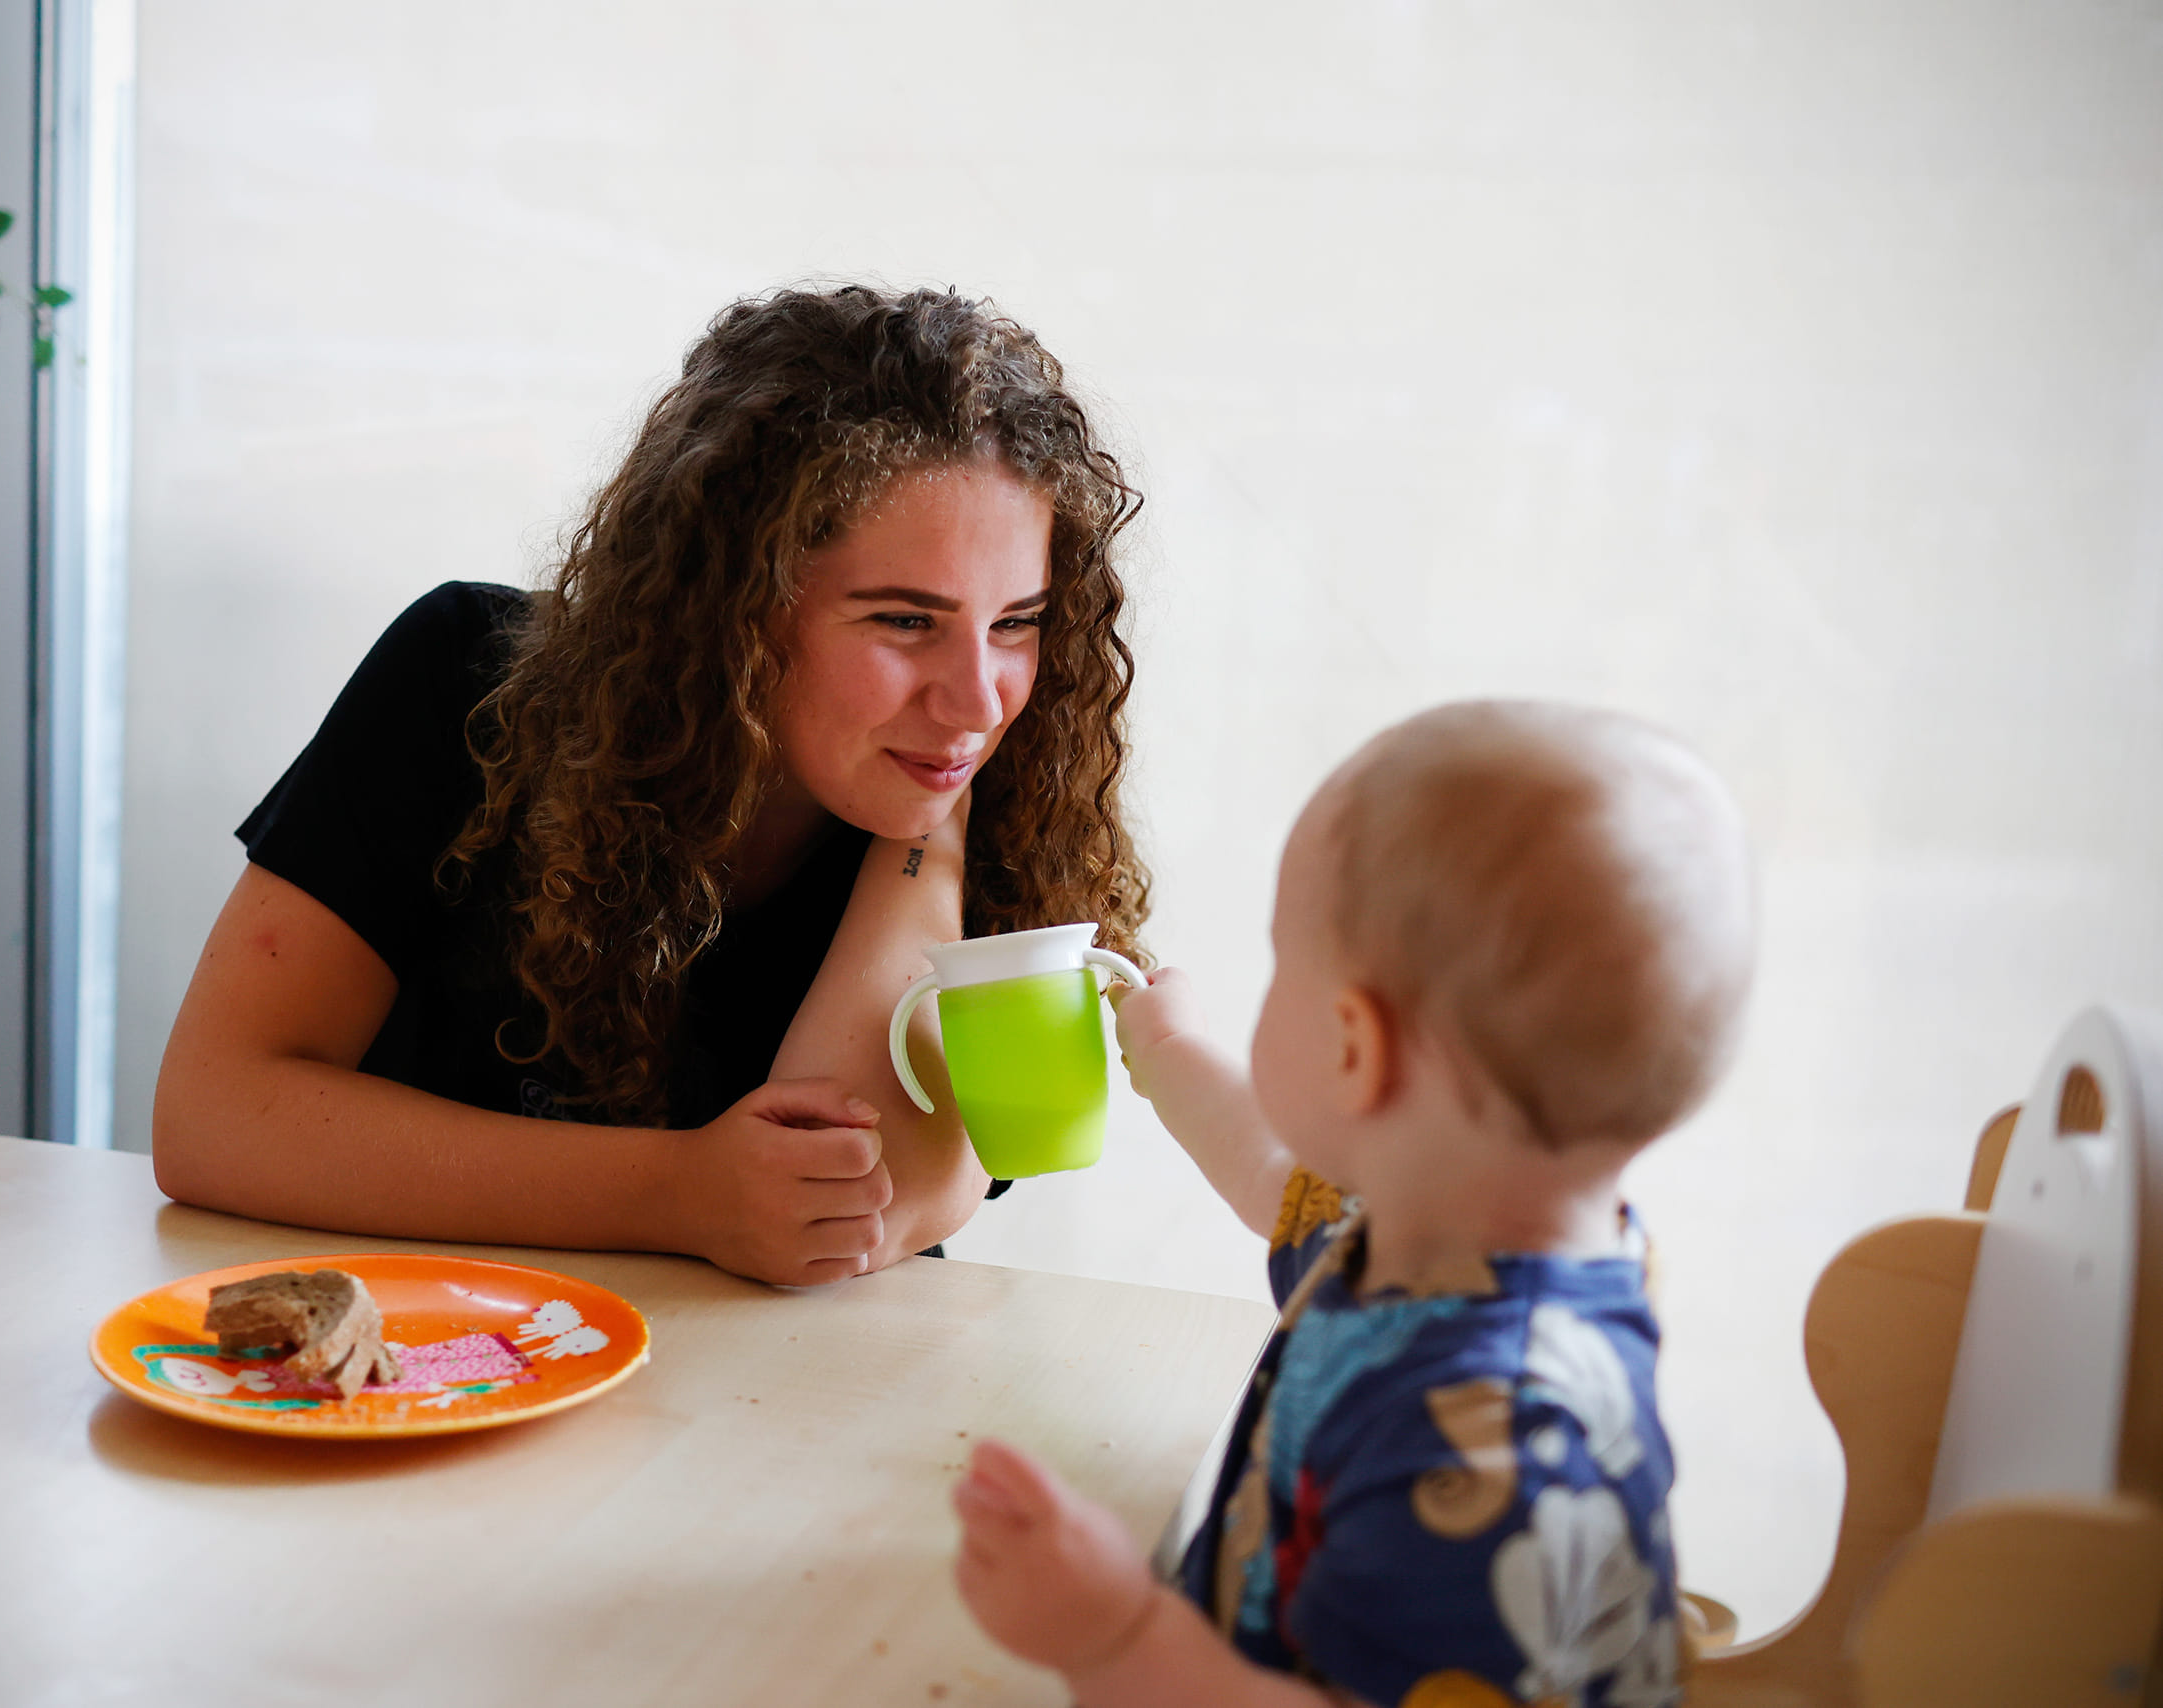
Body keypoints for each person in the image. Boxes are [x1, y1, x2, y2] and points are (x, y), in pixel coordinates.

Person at [151, 286, 1150, 1286]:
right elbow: (214, 1116)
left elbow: (852, 1205)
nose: (979, 698)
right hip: (422, 1368)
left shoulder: (1004, 810)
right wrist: (678, 1191)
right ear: (736, 609)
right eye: (904, 621)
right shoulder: (464, 683)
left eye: (1016, 621)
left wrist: (929, 835)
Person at [950, 700, 1756, 1707]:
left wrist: (1119, 1636)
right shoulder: (1439, 1238)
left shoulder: (1491, 1449)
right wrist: (1167, 1054)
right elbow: (1270, 1172)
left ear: (1351, 1047)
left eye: (1283, 957)